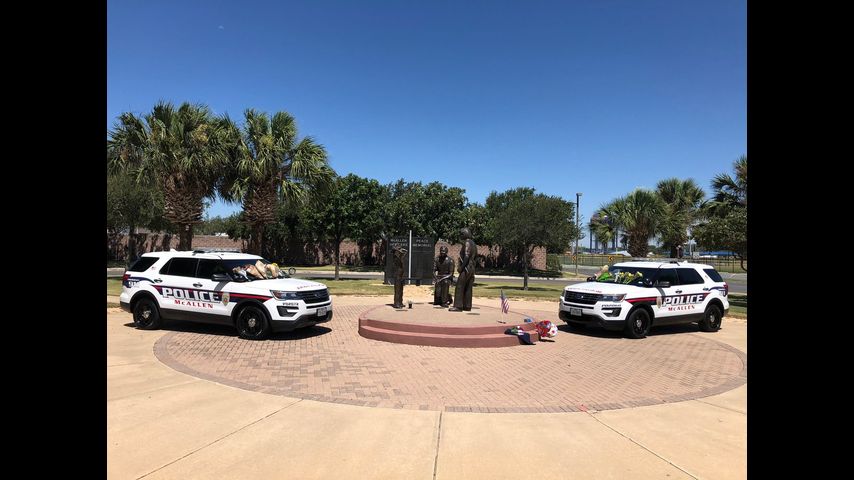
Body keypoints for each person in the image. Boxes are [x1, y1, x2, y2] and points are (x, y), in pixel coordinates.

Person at [449, 228, 476, 312]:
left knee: (459, 286)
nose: (460, 236)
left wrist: (461, 267)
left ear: (465, 234)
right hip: (472, 268)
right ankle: (467, 306)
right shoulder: (473, 243)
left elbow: (467, 256)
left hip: (466, 268)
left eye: (461, 234)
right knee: (468, 287)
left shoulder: (467, 243)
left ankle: (458, 306)